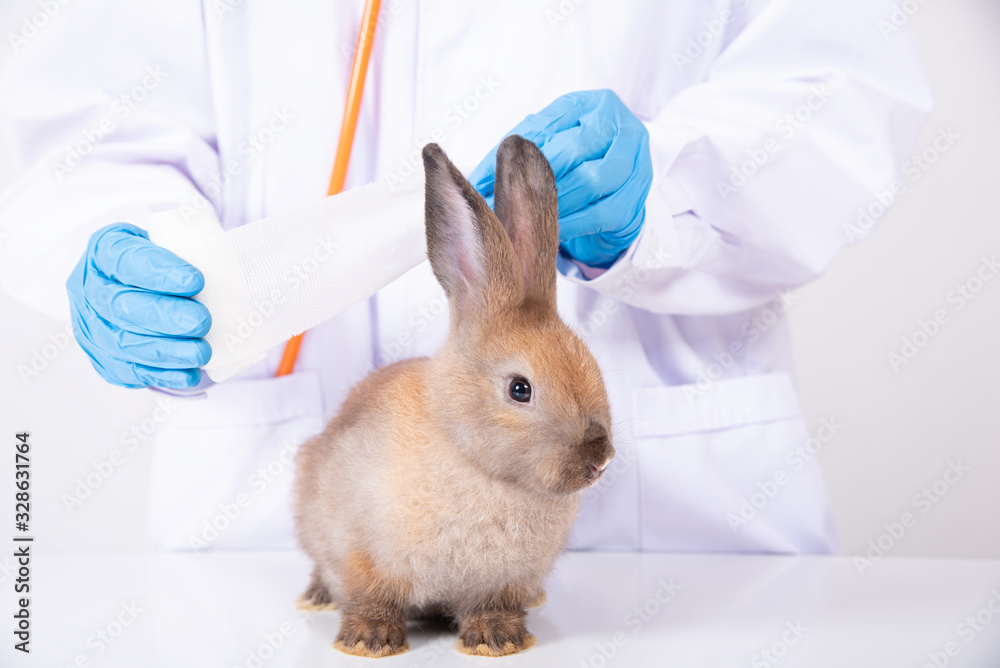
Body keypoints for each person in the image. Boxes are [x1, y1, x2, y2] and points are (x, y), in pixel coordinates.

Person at [0, 0, 931, 552]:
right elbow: (89, 114)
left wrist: (673, 184)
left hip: (669, 545)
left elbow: (842, 85)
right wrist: (119, 240)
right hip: (270, 548)